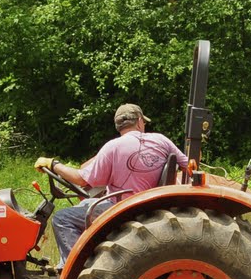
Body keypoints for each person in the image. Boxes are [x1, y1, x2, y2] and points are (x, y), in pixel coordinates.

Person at [35, 103, 186, 268]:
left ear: (118, 125)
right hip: (147, 205)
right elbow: (187, 164)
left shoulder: (112, 147)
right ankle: (94, 261)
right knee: (85, 204)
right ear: (140, 121)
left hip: (123, 208)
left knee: (62, 218)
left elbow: (81, 179)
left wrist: (53, 164)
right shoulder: (161, 140)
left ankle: (74, 270)